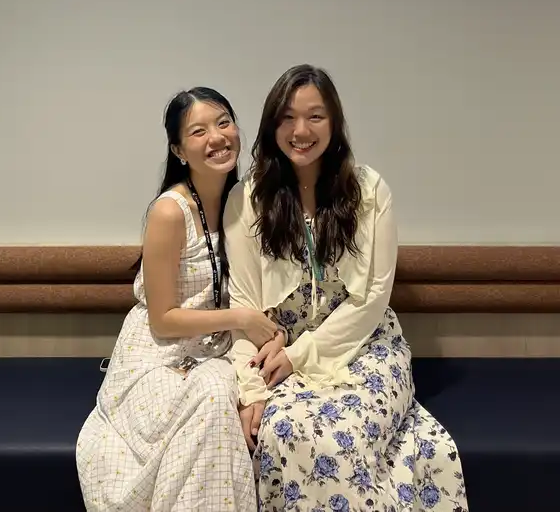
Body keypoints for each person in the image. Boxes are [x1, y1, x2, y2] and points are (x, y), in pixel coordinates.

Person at [224, 65, 468, 512]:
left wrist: (300, 354)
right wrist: (250, 389)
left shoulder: (369, 192)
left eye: (315, 116)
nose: (301, 131)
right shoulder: (248, 198)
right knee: (281, 431)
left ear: (334, 122)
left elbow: (372, 300)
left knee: (342, 436)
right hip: (280, 354)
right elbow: (243, 305)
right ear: (271, 125)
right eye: (287, 117)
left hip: (366, 348)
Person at [76, 87, 277, 512]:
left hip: (217, 352)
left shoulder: (246, 204)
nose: (216, 137)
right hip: (159, 356)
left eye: (223, 123)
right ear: (179, 151)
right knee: (215, 394)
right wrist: (241, 317)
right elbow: (163, 320)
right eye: (198, 131)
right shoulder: (170, 212)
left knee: (225, 391)